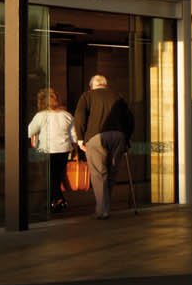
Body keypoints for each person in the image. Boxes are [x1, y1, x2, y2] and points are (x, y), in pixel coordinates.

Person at [71, 74, 134, 220]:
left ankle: (102, 210)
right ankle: (105, 206)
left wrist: (80, 138)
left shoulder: (87, 96)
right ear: (105, 85)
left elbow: (79, 117)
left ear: (92, 85)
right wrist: (126, 137)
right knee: (111, 172)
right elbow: (130, 119)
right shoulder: (118, 97)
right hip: (118, 136)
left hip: (96, 137)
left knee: (99, 174)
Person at [27, 89, 78, 213]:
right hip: (64, 150)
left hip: (46, 150)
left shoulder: (40, 116)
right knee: (57, 176)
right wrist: (75, 149)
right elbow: (74, 135)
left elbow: (30, 131)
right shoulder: (66, 115)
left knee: (49, 177)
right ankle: (56, 200)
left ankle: (57, 200)